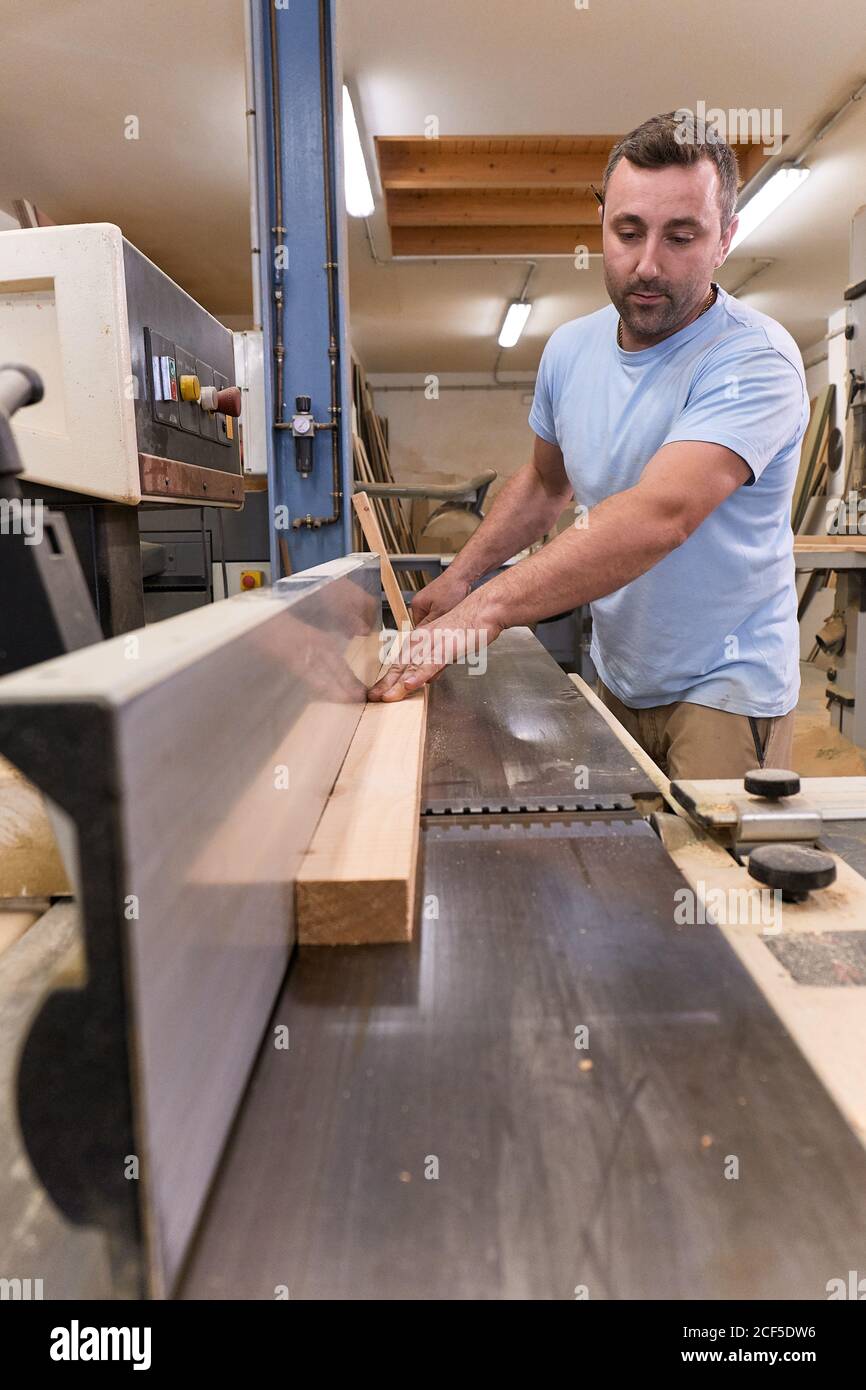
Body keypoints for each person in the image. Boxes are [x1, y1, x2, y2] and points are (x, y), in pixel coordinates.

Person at [368, 112, 809, 780]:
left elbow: (662, 515)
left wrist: (483, 611)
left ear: (725, 239)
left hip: (726, 686)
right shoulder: (572, 349)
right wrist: (463, 575)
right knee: (625, 862)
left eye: (681, 236)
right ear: (602, 223)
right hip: (619, 674)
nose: (647, 264)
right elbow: (547, 485)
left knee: (717, 877)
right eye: (627, 232)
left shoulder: (754, 360)